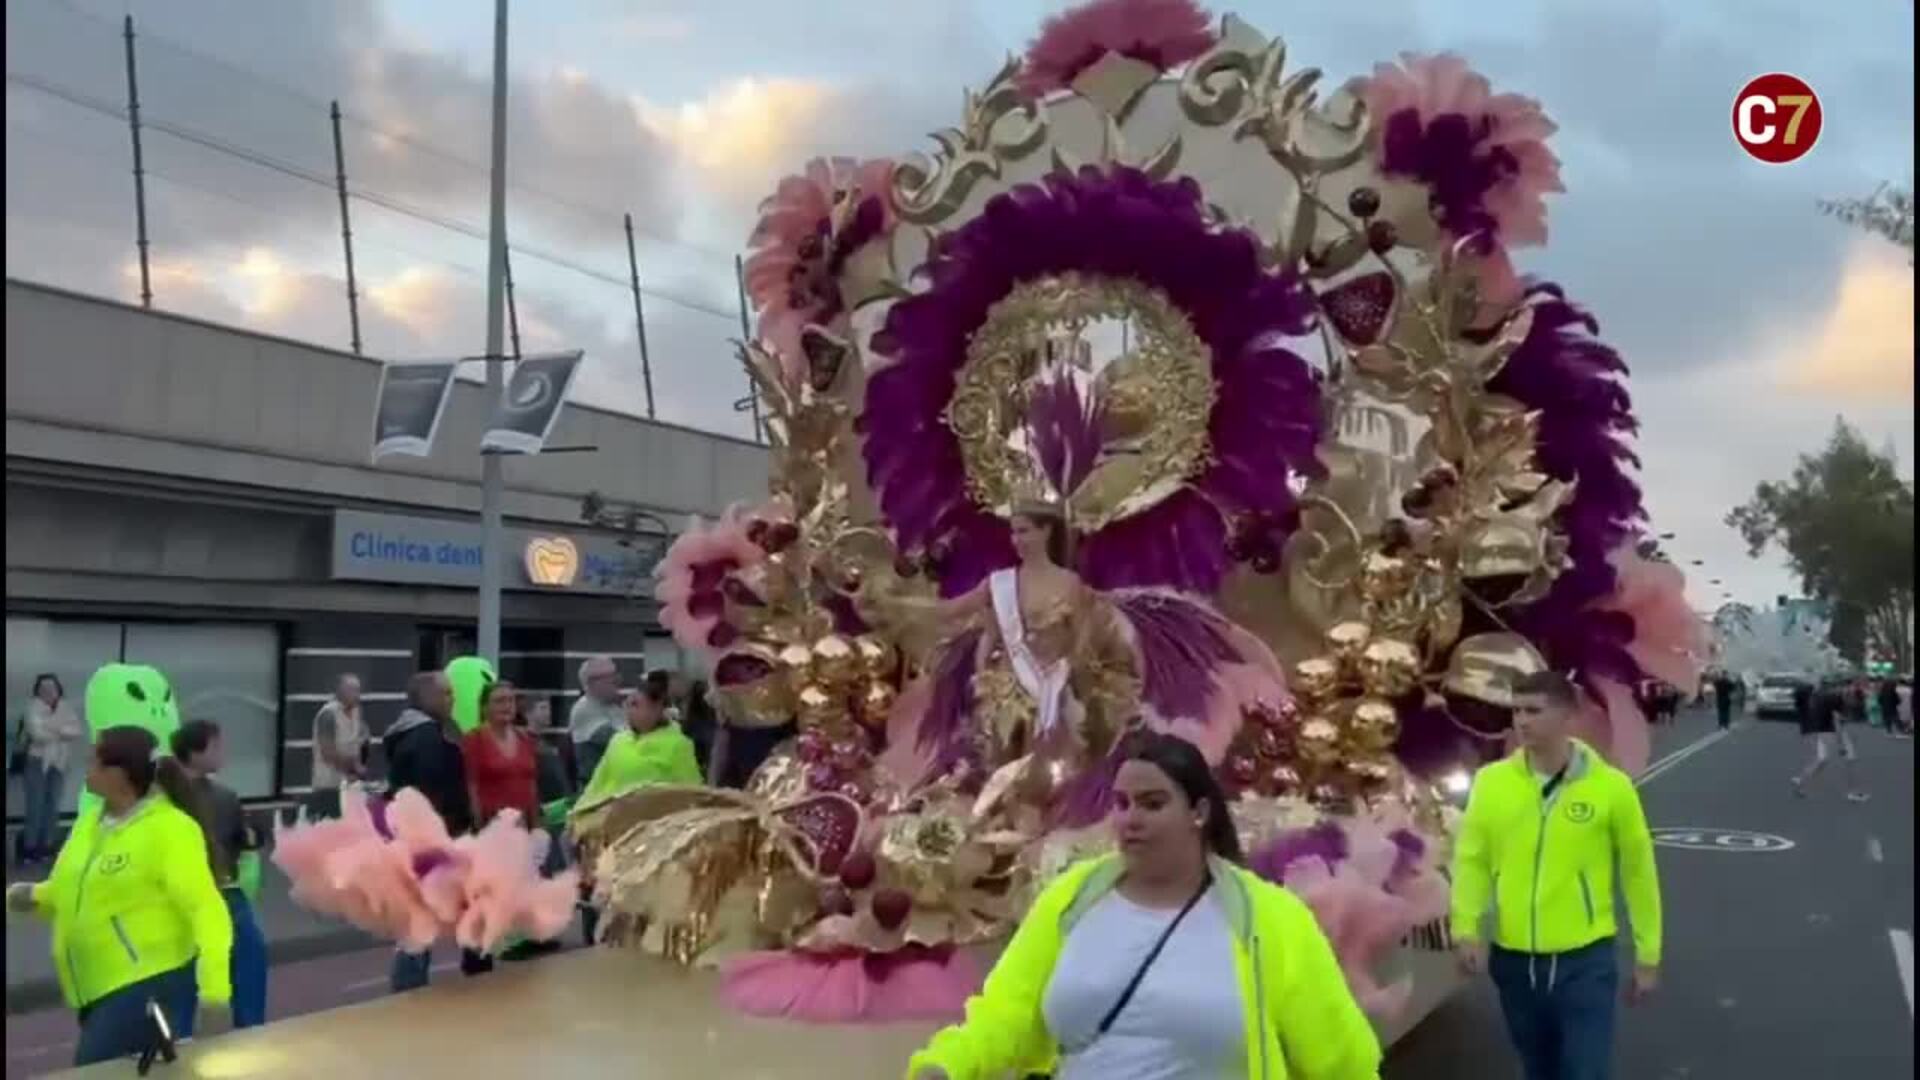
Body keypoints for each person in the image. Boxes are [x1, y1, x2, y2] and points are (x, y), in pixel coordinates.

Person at [907, 731, 1380, 1080]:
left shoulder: (1270, 918)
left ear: (1199, 812)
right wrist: (945, 1067)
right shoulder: (1072, 898)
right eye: (1122, 803)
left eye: (1152, 804)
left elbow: (1343, 1060)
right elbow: (1006, 1013)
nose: (1130, 819)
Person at [1450, 671, 1663, 1080]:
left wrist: (1648, 954)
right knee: (1538, 1068)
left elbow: (1638, 873)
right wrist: (1466, 928)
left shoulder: (1611, 788)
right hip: (1514, 959)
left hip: (1584, 961)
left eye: (1534, 711)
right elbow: (1472, 859)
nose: (1522, 721)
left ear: (1567, 715)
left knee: (1584, 1070)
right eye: (1516, 711)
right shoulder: (1492, 783)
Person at [6, 726, 233, 1067]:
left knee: (94, 1071)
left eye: (95, 761)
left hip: (145, 981)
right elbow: (73, 889)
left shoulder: (170, 829)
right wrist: (31, 896)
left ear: (121, 774)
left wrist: (215, 994)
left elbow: (207, 909)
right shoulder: (90, 823)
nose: (86, 767)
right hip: (95, 987)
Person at [384, 670, 492, 991]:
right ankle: (414, 983)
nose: (452, 699)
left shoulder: (408, 732)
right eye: (445, 693)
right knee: (438, 907)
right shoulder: (427, 738)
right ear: (425, 697)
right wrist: (450, 831)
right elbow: (433, 790)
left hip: (417, 836)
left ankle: (419, 978)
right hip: (436, 838)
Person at [171, 720, 267, 1029]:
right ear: (195, 752)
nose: (223, 753)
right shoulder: (170, 799)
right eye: (216, 746)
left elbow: (243, 838)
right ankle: (243, 1031)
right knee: (197, 967)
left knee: (248, 952)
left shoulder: (224, 795)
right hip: (196, 897)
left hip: (221, 892)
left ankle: (245, 1030)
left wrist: (254, 834)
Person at [17, 673, 85, 864]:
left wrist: (49, 727)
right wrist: (61, 730)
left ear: (58, 690)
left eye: (52, 688)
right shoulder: (32, 708)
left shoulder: (66, 708)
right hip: (36, 761)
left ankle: (46, 847)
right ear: (37, 691)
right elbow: (37, 735)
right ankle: (29, 849)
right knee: (35, 806)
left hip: (59, 763)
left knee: (52, 805)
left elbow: (77, 731)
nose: (48, 692)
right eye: (43, 689)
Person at [463, 680, 539, 831]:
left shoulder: (525, 738)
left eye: (511, 700)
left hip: (523, 824)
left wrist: (535, 823)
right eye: (499, 701)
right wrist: (478, 826)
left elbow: (532, 783)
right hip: (491, 824)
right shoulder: (475, 739)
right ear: (485, 707)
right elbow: (471, 786)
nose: (507, 706)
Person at [1792, 680, 1869, 802]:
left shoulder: (1835, 695)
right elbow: (1837, 722)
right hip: (1826, 729)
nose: (1852, 704)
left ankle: (1801, 783)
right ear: (1852, 696)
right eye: (1853, 702)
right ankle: (1853, 792)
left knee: (1822, 759)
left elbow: (1836, 718)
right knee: (1850, 757)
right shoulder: (1837, 698)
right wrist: (1841, 745)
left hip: (1819, 727)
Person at [309, 674, 368, 819]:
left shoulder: (356, 712)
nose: (357, 695)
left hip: (351, 785)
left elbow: (361, 739)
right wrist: (354, 767)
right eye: (352, 690)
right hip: (329, 786)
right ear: (340, 691)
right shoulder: (328, 714)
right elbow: (328, 752)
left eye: (358, 690)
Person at [567, 657, 623, 792]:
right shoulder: (584, 709)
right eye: (611, 677)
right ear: (592, 683)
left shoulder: (614, 708)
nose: (618, 680)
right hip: (596, 792)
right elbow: (618, 740)